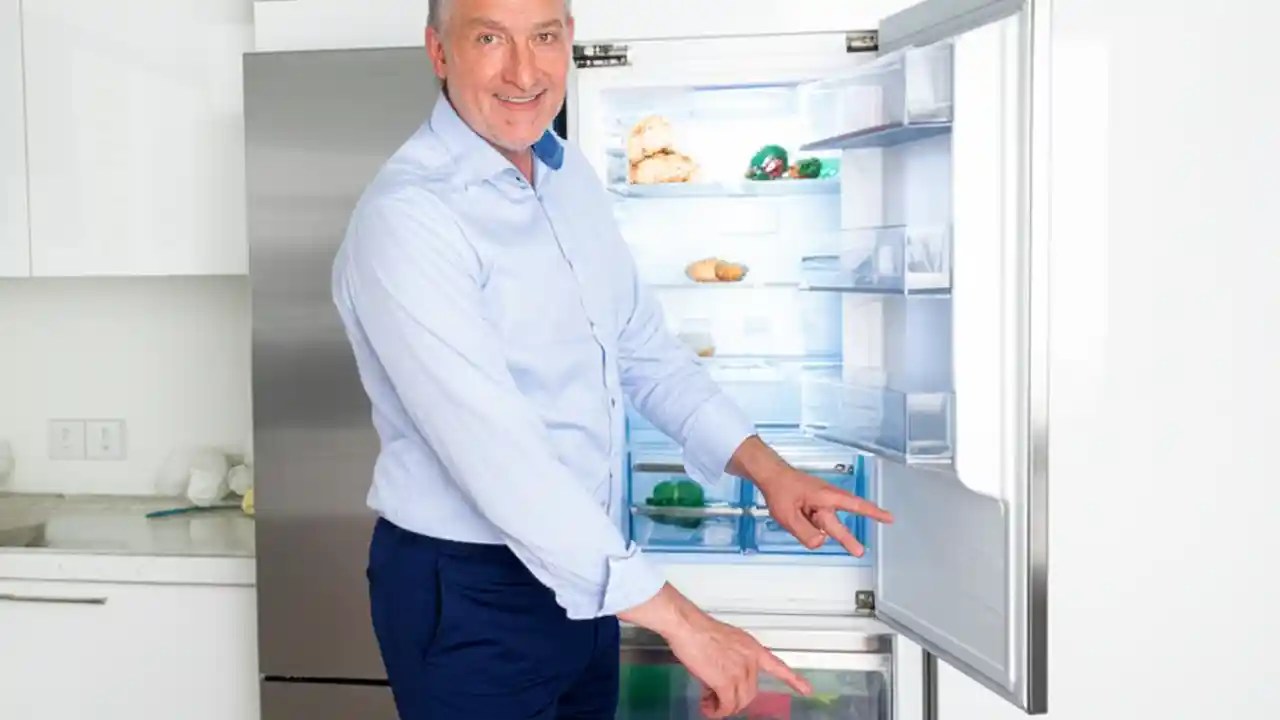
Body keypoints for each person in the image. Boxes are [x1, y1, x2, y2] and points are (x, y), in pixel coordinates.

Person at [331, 0, 894, 717]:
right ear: (440, 53)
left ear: (568, 41)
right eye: (489, 40)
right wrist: (685, 622)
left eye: (544, 37)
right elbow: (500, 458)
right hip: (472, 591)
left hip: (586, 577)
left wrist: (767, 469)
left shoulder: (568, 180)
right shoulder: (409, 218)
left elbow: (643, 352)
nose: (524, 71)